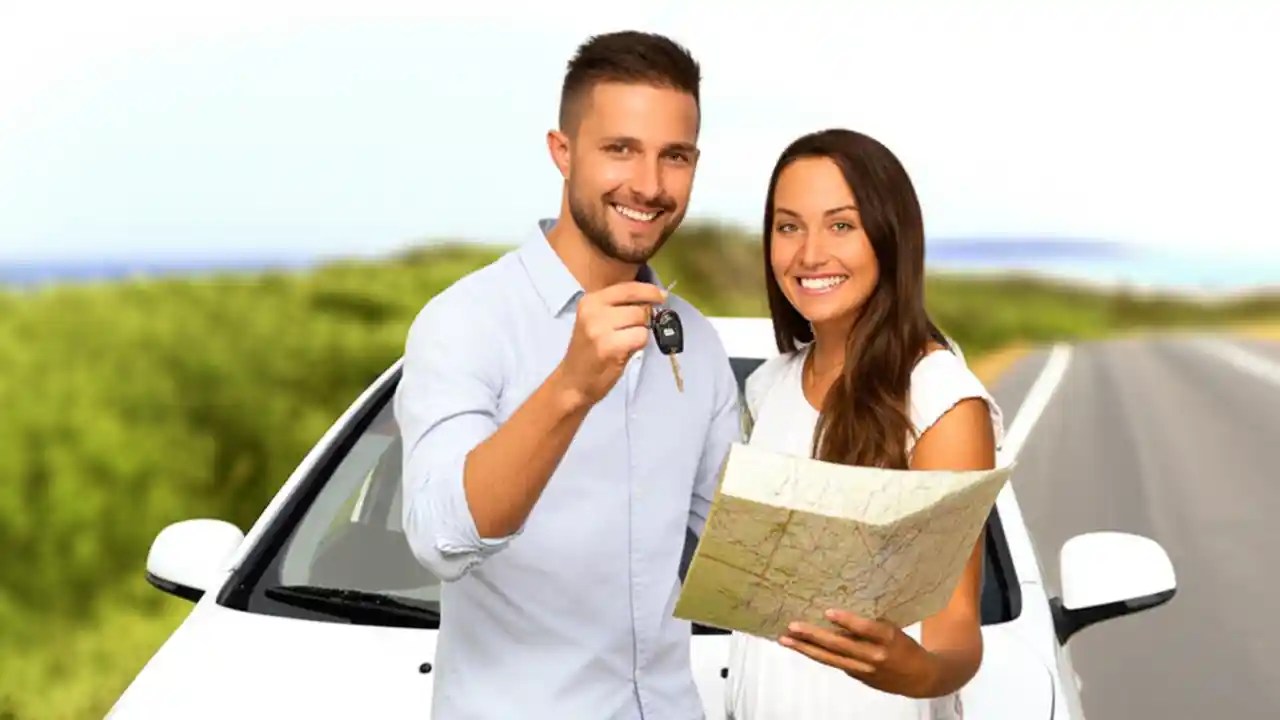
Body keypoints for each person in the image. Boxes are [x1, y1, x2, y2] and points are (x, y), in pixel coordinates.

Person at [393, 30, 742, 720]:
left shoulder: (697, 343)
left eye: (674, 157)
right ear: (563, 151)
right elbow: (439, 537)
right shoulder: (466, 321)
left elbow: (738, 550)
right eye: (620, 149)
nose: (648, 185)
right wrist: (571, 388)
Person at [724, 128, 1005, 720]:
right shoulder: (768, 386)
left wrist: (914, 670)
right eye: (788, 226)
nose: (809, 254)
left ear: (889, 236)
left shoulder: (938, 396)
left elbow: (956, 631)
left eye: (841, 225)